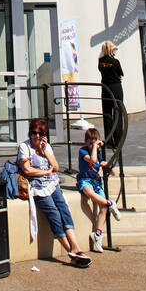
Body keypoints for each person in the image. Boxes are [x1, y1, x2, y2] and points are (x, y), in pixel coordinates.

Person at [17, 118, 91, 268]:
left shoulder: (46, 147)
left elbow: (56, 166)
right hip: (38, 187)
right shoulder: (24, 147)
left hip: (52, 183)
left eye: (40, 133)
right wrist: (45, 171)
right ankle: (71, 252)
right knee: (53, 213)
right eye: (34, 133)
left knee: (63, 209)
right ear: (30, 133)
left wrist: (45, 152)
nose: (37, 136)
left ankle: (76, 247)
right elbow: (27, 170)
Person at [76, 126, 121, 253]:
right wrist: (95, 146)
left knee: (103, 208)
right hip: (85, 180)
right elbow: (92, 160)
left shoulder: (99, 153)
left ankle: (98, 233)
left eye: (94, 143)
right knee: (88, 192)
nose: (92, 146)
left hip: (96, 181)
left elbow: (107, 168)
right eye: (90, 143)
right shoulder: (83, 151)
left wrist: (108, 167)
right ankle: (110, 203)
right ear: (86, 142)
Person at [98, 41, 124, 146]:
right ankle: (118, 139)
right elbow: (120, 74)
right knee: (118, 113)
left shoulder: (100, 61)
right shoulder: (115, 62)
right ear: (111, 50)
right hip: (115, 88)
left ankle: (108, 140)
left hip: (105, 88)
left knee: (107, 114)